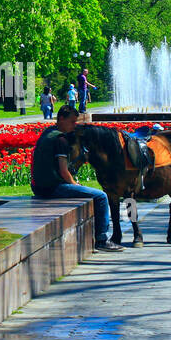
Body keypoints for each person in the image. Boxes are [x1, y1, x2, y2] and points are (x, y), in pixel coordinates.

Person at [29, 104, 120, 252]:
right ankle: (102, 239)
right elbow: (64, 171)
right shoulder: (61, 140)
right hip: (52, 188)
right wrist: (74, 184)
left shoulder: (48, 132)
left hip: (38, 186)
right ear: (62, 119)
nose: (74, 125)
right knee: (101, 196)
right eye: (72, 122)